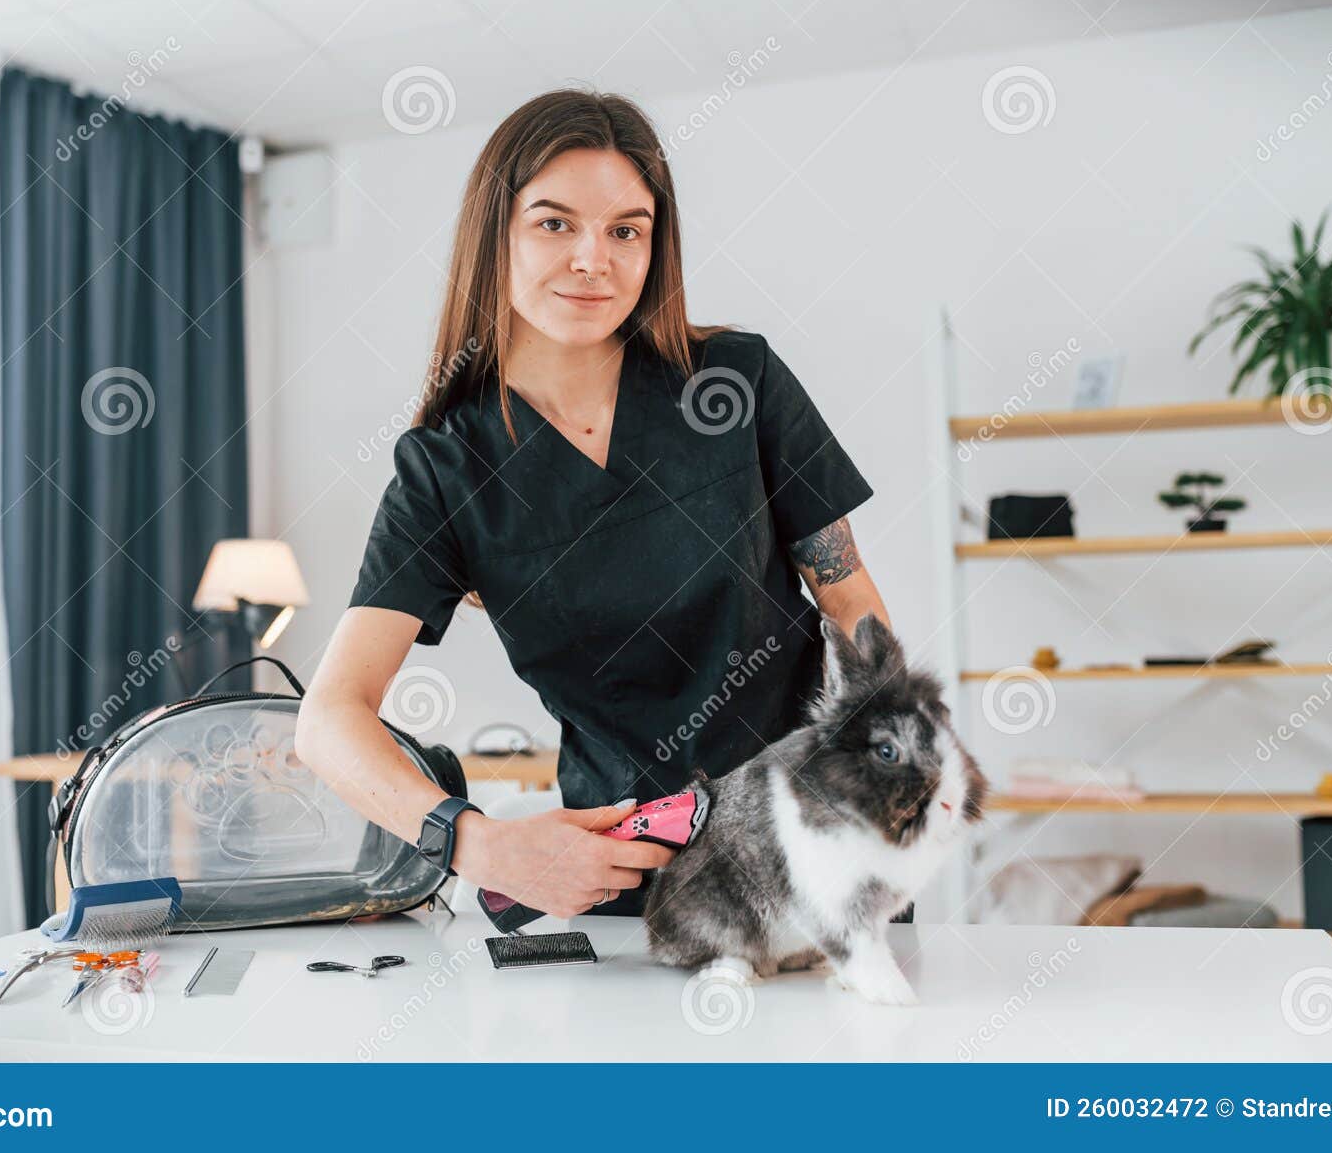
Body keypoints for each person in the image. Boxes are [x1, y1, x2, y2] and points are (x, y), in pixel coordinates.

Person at [294, 89, 896, 924]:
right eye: (554, 223)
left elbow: (848, 592)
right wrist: (482, 845)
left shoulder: (734, 381)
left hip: (821, 845)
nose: (593, 259)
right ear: (494, 235)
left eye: (626, 230)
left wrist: (897, 749)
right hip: (629, 885)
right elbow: (327, 720)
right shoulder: (446, 468)